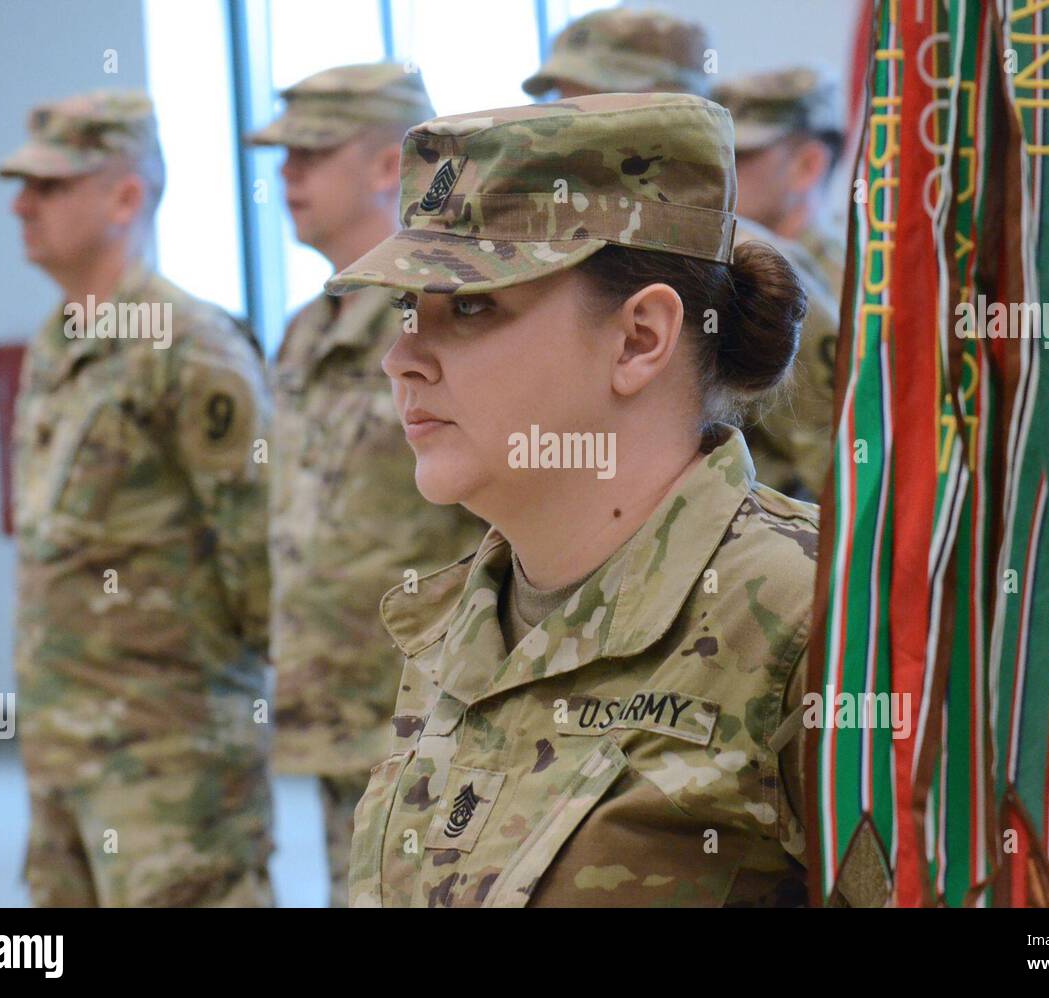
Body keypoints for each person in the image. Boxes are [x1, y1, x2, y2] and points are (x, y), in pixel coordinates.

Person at [328, 91, 826, 907]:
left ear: (640, 340)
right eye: (406, 310)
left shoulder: (815, 620)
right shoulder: (456, 625)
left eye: (473, 304)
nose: (401, 359)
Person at [2, 91, 274, 906]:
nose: (21, 204)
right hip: (63, 749)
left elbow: (258, 553)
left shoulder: (191, 348)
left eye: (50, 186)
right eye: (21, 184)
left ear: (124, 198)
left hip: (170, 761)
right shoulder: (58, 344)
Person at [247, 64, 485, 905]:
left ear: (390, 166)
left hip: (437, 717)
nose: (287, 178)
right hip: (334, 709)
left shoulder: (453, 314)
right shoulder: (309, 327)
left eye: (310, 155)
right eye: (282, 158)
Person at [523, 5, 838, 500]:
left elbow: (846, 465)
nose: (570, 127)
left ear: (678, 108)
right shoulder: (544, 256)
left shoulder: (743, 262)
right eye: (564, 102)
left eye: (600, 101)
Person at [711, 68, 846, 298]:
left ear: (808, 166)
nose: (717, 167)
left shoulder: (846, 286)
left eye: (739, 155)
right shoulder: (723, 260)